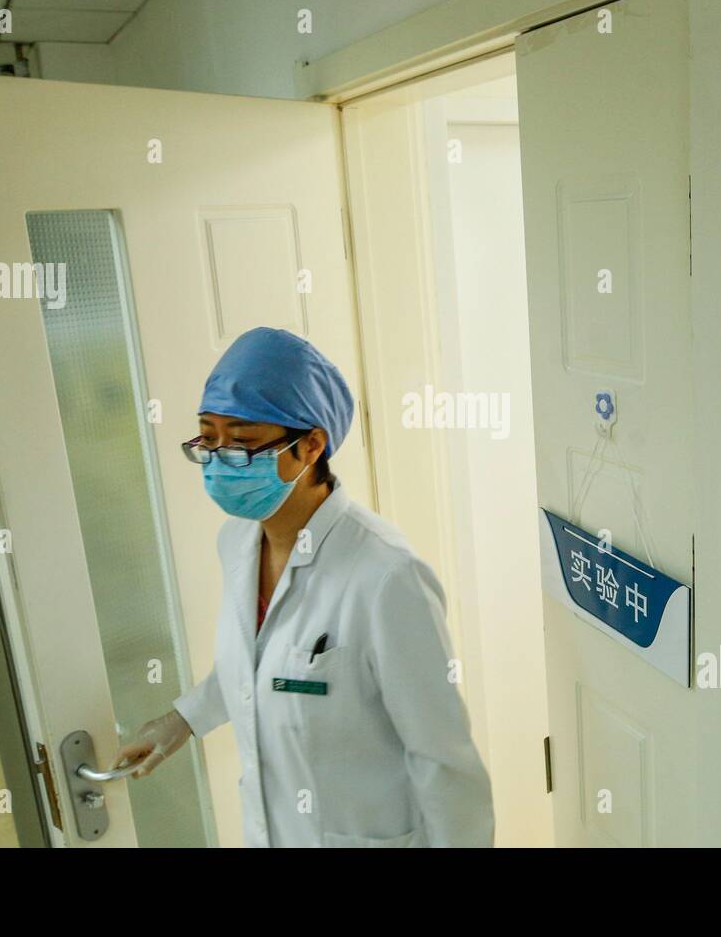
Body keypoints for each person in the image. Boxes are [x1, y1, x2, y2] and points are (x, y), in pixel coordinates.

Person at [112, 327, 494, 847]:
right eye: (208, 436)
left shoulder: (385, 577)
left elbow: (444, 764)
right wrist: (181, 721)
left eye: (243, 443)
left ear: (311, 445)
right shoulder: (239, 542)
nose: (221, 458)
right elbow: (257, 663)